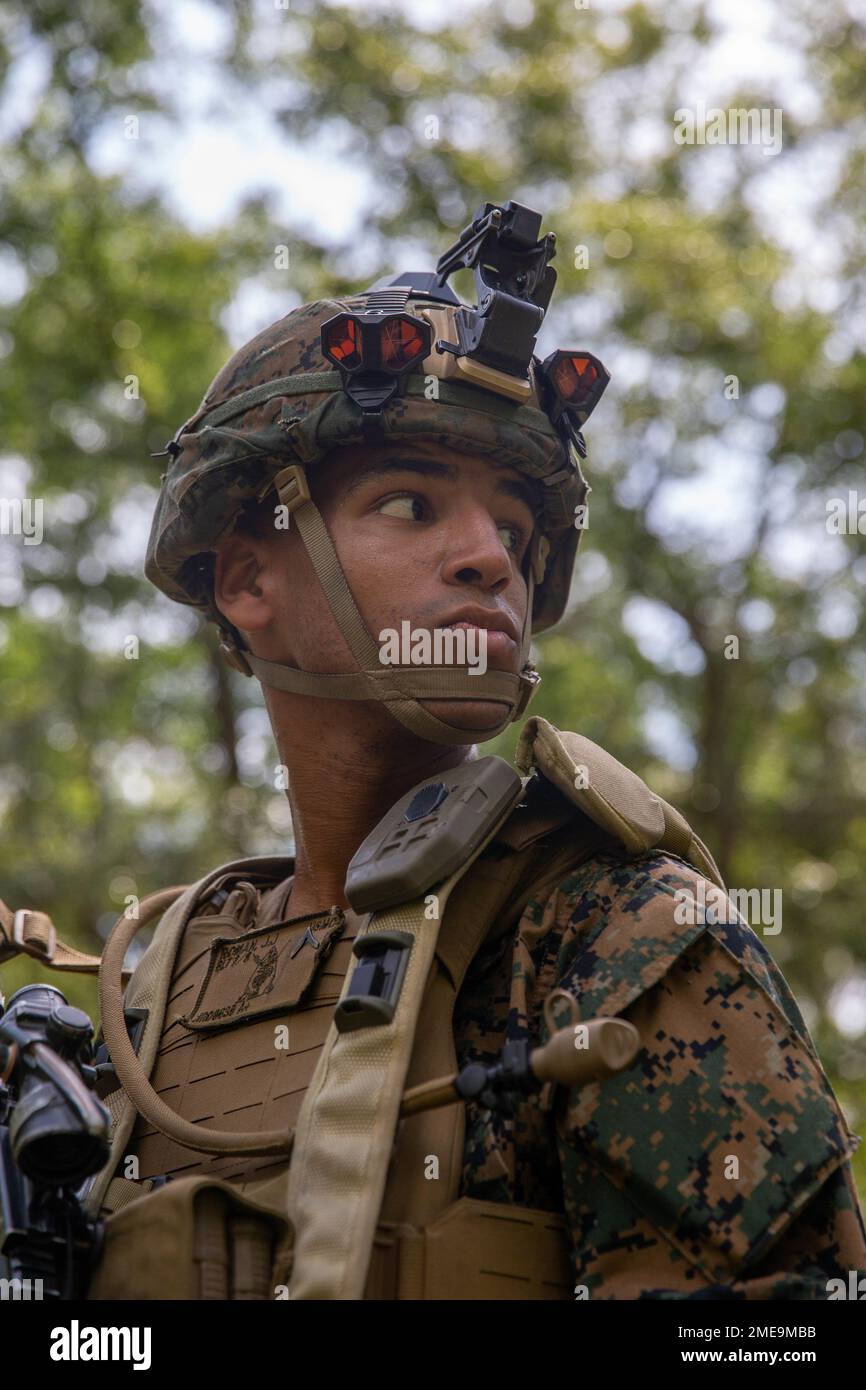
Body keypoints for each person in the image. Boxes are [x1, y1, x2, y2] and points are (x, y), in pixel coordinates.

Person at [75, 200, 864, 1300]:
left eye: (515, 530)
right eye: (410, 503)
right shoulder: (139, 1006)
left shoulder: (622, 939)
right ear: (246, 578)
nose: (489, 560)